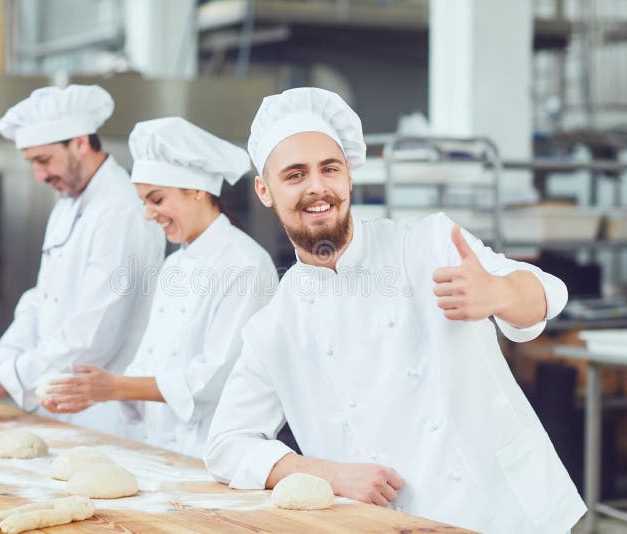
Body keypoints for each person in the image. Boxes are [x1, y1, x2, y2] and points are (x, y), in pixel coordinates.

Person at [204, 87, 586, 533]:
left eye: (330, 168)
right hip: (390, 524)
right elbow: (227, 445)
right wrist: (327, 474)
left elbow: (545, 292)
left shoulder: (428, 244)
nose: (317, 187)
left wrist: (498, 293)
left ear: (348, 177)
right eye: (295, 175)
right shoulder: (276, 326)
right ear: (265, 191)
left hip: (503, 513)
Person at [41, 117, 278, 457]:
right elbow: (150, 358)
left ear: (198, 190)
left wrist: (116, 387)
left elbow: (214, 377)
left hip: (213, 452)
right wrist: (94, 393)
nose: (149, 215)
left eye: (157, 199)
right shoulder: (175, 265)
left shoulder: (244, 265)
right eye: (144, 203)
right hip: (157, 448)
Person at [0, 85, 165, 434]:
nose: (39, 176)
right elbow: (41, 299)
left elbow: (94, 335)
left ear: (80, 143)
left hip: (107, 417)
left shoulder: (122, 209)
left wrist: (4, 378)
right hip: (57, 402)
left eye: (43, 160)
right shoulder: (68, 203)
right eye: (31, 163)